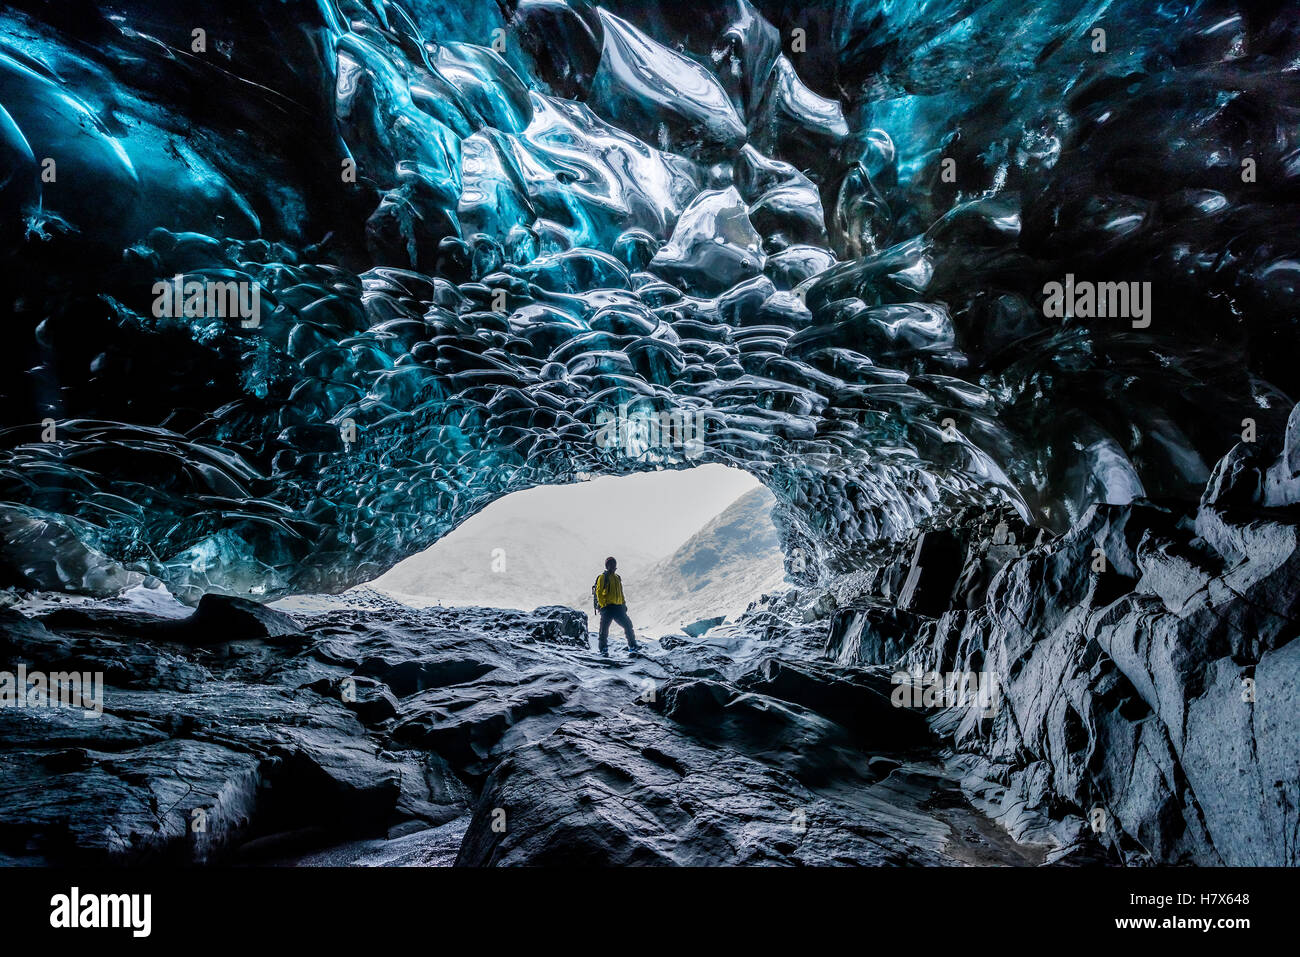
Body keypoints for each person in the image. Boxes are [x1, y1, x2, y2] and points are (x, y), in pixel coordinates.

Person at [593, 556, 639, 655]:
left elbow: (621, 593)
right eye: (610, 564)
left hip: (619, 608)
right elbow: (599, 592)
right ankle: (603, 650)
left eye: (614, 564)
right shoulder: (603, 577)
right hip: (607, 608)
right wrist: (603, 605)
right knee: (604, 630)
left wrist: (623, 604)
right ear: (607, 566)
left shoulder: (617, 577)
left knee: (628, 626)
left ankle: (633, 646)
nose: (613, 565)